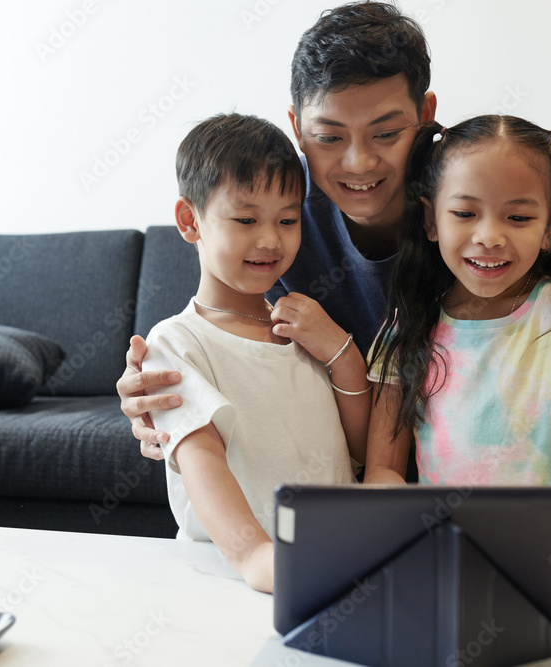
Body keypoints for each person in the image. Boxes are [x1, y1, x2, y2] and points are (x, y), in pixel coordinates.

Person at [117, 2, 551, 494]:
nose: (359, 163)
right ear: (296, 126)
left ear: (426, 115)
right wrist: (164, 393)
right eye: (328, 136)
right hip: (369, 488)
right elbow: (216, 335)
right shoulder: (277, 220)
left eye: (386, 133)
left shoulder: (479, 201)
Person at [364, 115, 551, 592]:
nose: (489, 235)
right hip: (443, 558)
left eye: (519, 217)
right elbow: (383, 466)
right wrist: (398, 540)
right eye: (465, 213)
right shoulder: (407, 327)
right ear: (430, 219)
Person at [142, 113, 370, 593]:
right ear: (190, 220)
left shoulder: (303, 326)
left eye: (288, 220)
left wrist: (343, 355)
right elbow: (201, 459)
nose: (270, 239)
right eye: (246, 219)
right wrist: (254, 556)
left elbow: (358, 450)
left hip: (332, 562)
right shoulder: (175, 343)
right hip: (233, 573)